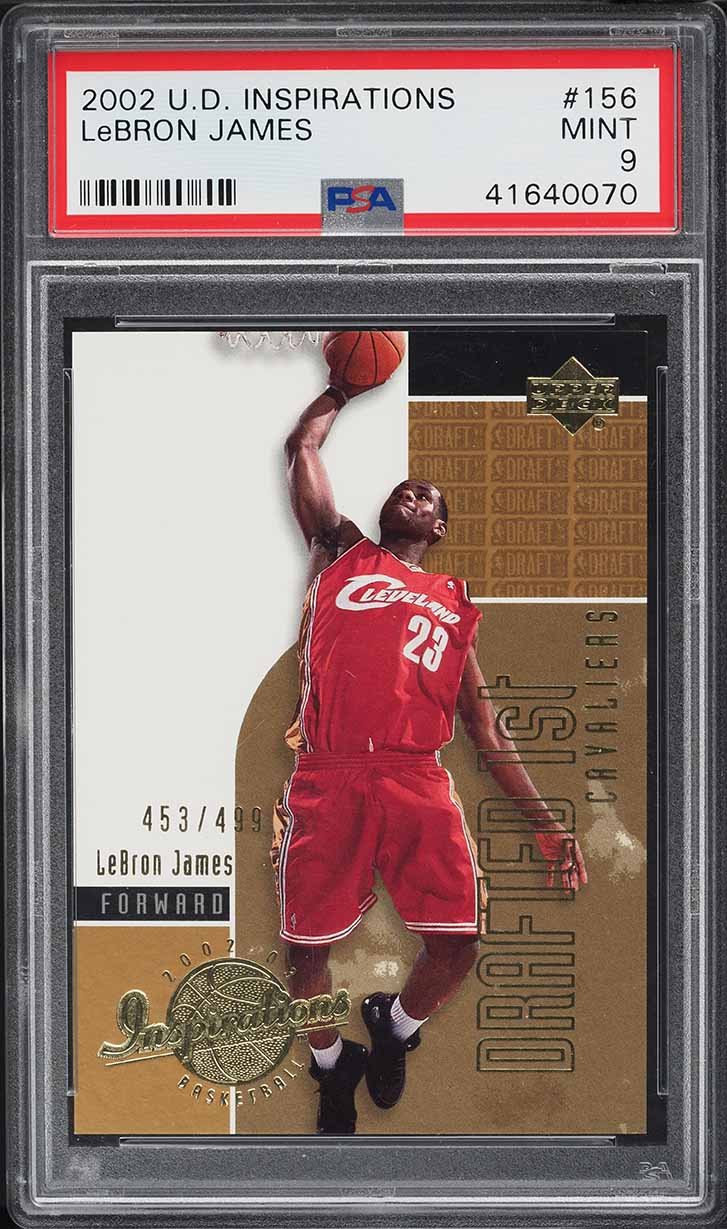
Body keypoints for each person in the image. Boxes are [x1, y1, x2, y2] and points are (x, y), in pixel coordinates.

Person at [271, 379, 588, 1135]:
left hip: (415, 775)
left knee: (457, 943)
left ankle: (395, 1027)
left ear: (439, 527)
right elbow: (302, 446)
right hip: (330, 773)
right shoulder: (342, 553)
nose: (412, 493)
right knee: (303, 953)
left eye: (427, 497)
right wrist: (341, 387)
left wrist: (546, 825)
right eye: (404, 488)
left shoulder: (451, 600)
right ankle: (331, 1063)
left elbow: (484, 726)